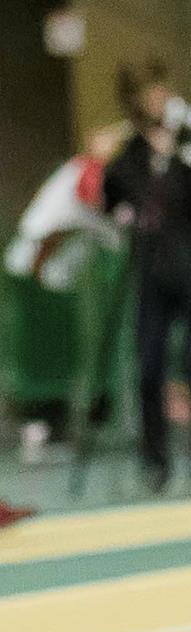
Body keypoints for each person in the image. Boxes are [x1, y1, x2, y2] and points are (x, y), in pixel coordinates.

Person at [102, 60, 191, 490]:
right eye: (143, 93)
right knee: (148, 365)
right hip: (152, 269)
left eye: (157, 88)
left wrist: (179, 151)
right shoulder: (132, 146)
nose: (153, 99)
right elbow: (113, 198)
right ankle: (154, 460)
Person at [4, 126, 125, 457]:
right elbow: (99, 207)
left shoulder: (92, 173)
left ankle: (54, 424)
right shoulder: (85, 170)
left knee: (60, 349)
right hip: (36, 269)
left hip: (51, 277)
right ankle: (40, 425)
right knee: (43, 353)